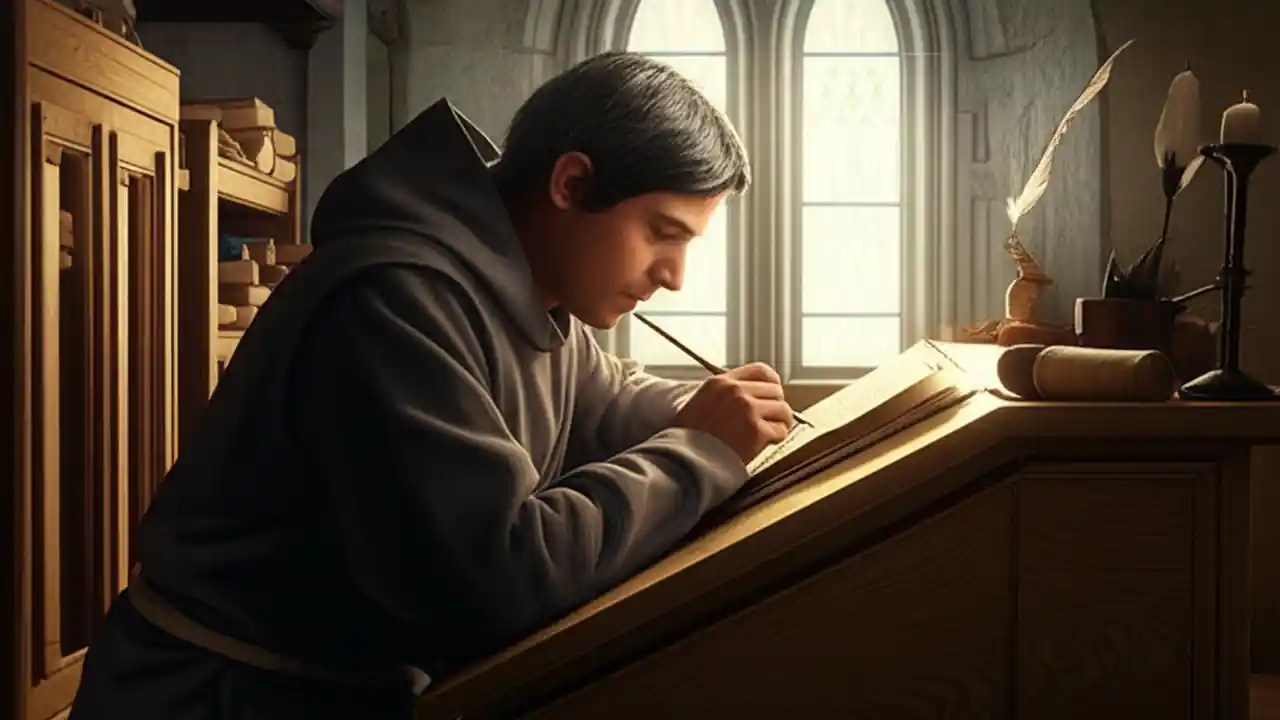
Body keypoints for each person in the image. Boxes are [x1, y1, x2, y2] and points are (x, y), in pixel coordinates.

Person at [69, 50, 796, 719]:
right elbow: (496, 577)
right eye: (662, 234)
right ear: (571, 184)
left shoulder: (535, 293)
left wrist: (718, 417)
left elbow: (613, 404)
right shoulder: (395, 299)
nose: (673, 276)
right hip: (215, 701)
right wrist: (702, 451)